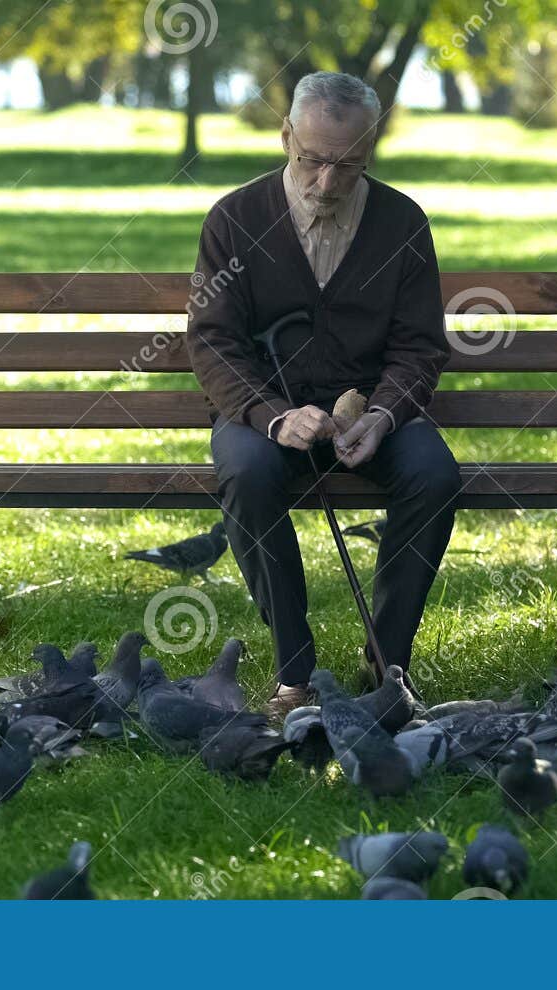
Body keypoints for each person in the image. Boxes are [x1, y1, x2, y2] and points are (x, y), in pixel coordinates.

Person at [186, 71, 462, 720]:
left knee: (434, 474)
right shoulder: (235, 219)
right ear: (285, 136)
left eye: (349, 165)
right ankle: (294, 671)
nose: (328, 184)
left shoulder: (401, 222)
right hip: (261, 413)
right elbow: (214, 341)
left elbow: (420, 346)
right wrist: (272, 416)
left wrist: (386, 414)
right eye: (311, 161)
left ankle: (387, 659)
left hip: (371, 414)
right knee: (249, 473)